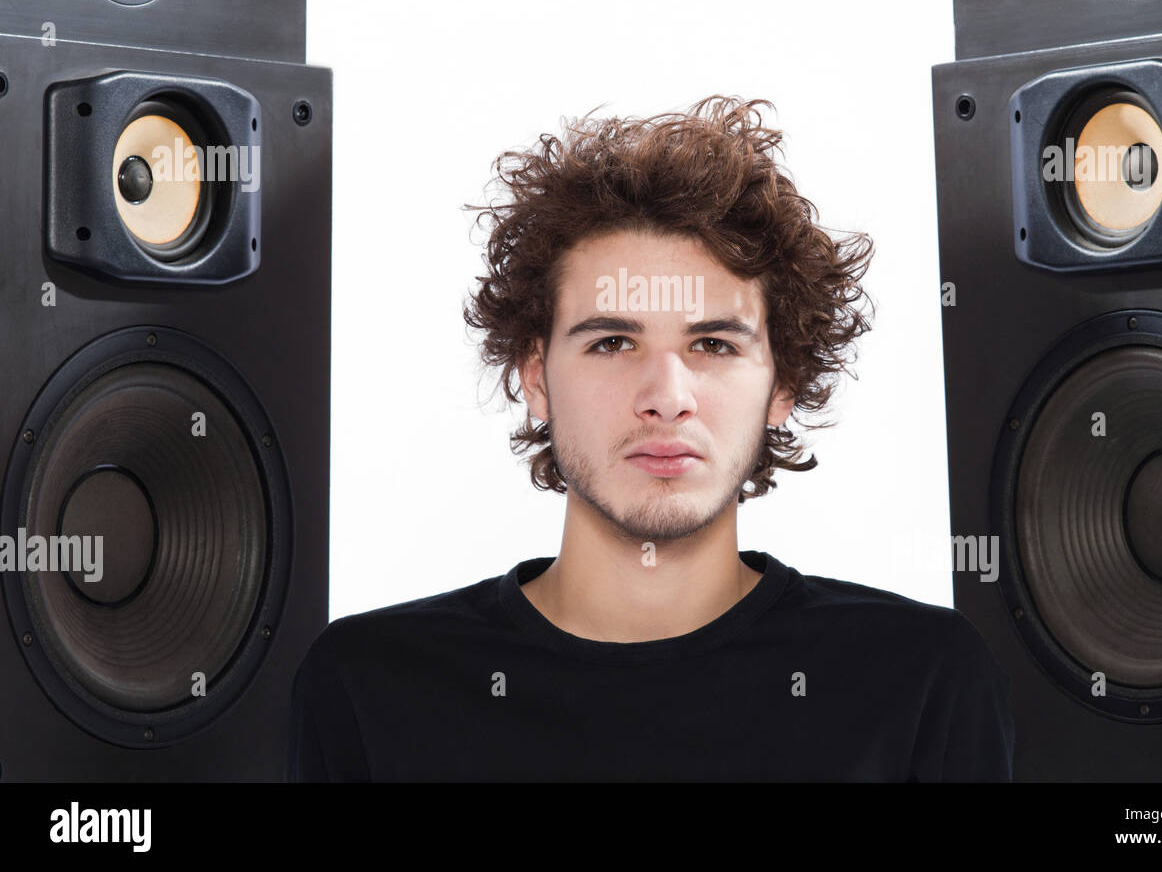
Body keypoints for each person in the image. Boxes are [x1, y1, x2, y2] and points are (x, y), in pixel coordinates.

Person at [285, 96, 1014, 781]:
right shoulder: (369, 686)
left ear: (783, 384)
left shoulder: (920, 680)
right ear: (535, 376)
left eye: (713, 345)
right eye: (611, 342)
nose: (667, 397)